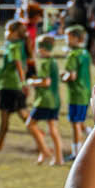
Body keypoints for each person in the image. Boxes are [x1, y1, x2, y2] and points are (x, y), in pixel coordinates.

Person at [0, 20, 31, 154]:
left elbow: (19, 66)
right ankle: (40, 139)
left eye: (7, 30)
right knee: (23, 115)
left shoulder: (14, 46)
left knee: (6, 118)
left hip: (9, 85)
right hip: (5, 84)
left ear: (15, 33)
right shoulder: (17, 44)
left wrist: (23, 83)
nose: (5, 33)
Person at [28, 32, 64, 166]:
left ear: (42, 49)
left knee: (30, 124)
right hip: (55, 100)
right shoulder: (53, 61)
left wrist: (32, 82)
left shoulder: (44, 63)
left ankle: (44, 151)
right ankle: (59, 158)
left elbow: (46, 82)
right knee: (53, 129)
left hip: (44, 100)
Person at [61, 25, 91, 159]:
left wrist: (63, 76)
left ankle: (77, 153)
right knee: (79, 119)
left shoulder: (72, 55)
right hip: (86, 91)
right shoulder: (85, 53)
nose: (65, 40)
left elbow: (71, 76)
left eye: (68, 37)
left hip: (76, 93)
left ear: (76, 38)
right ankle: (90, 132)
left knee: (75, 124)